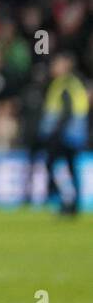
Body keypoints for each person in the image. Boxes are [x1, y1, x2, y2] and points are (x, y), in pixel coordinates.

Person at [38, 53, 87, 216]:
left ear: (65, 66)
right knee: (71, 168)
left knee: (53, 165)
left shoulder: (65, 84)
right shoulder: (73, 83)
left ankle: (65, 200)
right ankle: (73, 204)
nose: (54, 67)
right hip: (75, 134)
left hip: (65, 135)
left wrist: (55, 131)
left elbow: (66, 110)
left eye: (57, 64)